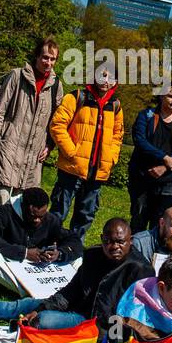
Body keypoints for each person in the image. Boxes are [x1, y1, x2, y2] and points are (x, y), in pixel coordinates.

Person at [0, 218, 149, 329]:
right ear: (102, 239)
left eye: (121, 242)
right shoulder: (93, 255)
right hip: (75, 305)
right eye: (109, 241)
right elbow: (71, 290)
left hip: (92, 323)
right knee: (25, 305)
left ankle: (24, 324)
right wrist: (42, 307)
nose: (114, 247)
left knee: (42, 320)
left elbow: (136, 317)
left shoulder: (140, 269)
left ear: (131, 241)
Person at [0, 38, 64, 210]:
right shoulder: (17, 76)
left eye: (52, 59)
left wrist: (49, 146)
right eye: (45, 57)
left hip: (34, 154)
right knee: (1, 198)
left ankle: (14, 237)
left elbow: (57, 122)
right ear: (37, 56)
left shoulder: (56, 86)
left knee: (22, 204)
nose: (48, 63)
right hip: (10, 145)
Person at [48, 62, 123, 240]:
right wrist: (71, 152)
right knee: (59, 211)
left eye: (111, 76)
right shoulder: (76, 97)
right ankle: (47, 245)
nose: (106, 80)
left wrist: (111, 158)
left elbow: (117, 135)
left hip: (97, 173)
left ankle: (74, 249)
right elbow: (57, 125)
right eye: (102, 75)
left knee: (85, 215)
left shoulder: (115, 106)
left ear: (115, 81)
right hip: (72, 168)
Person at [0, 187, 82, 299]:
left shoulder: (50, 219)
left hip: (38, 267)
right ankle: (30, 293)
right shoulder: (3, 214)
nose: (37, 220)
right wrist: (24, 253)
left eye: (41, 217)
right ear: (23, 206)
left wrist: (60, 254)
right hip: (12, 262)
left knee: (77, 259)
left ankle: (71, 289)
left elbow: (74, 240)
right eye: (32, 216)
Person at [127, 83, 172, 232]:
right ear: (162, 96)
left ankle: (158, 254)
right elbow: (140, 141)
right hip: (144, 176)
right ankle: (136, 252)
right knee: (139, 218)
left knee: (163, 223)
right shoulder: (146, 116)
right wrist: (164, 157)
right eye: (171, 96)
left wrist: (166, 166)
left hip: (170, 180)